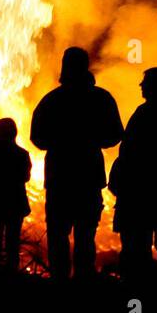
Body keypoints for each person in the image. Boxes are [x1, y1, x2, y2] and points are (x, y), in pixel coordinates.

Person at [29, 47, 123, 280]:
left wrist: (60, 141)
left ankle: (60, 281)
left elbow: (37, 138)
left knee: (58, 235)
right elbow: (115, 135)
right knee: (85, 235)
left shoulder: (52, 100)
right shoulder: (101, 98)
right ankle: (83, 281)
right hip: (88, 178)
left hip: (59, 178)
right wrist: (91, 139)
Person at [109, 67, 157, 279]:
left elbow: (132, 153)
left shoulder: (150, 112)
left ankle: (138, 285)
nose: (141, 86)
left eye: (145, 82)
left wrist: (121, 180)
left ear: (154, 86)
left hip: (140, 191)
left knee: (136, 244)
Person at [0, 118, 31, 271]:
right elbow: (26, 177)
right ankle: (12, 273)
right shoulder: (22, 154)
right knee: (13, 244)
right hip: (16, 204)